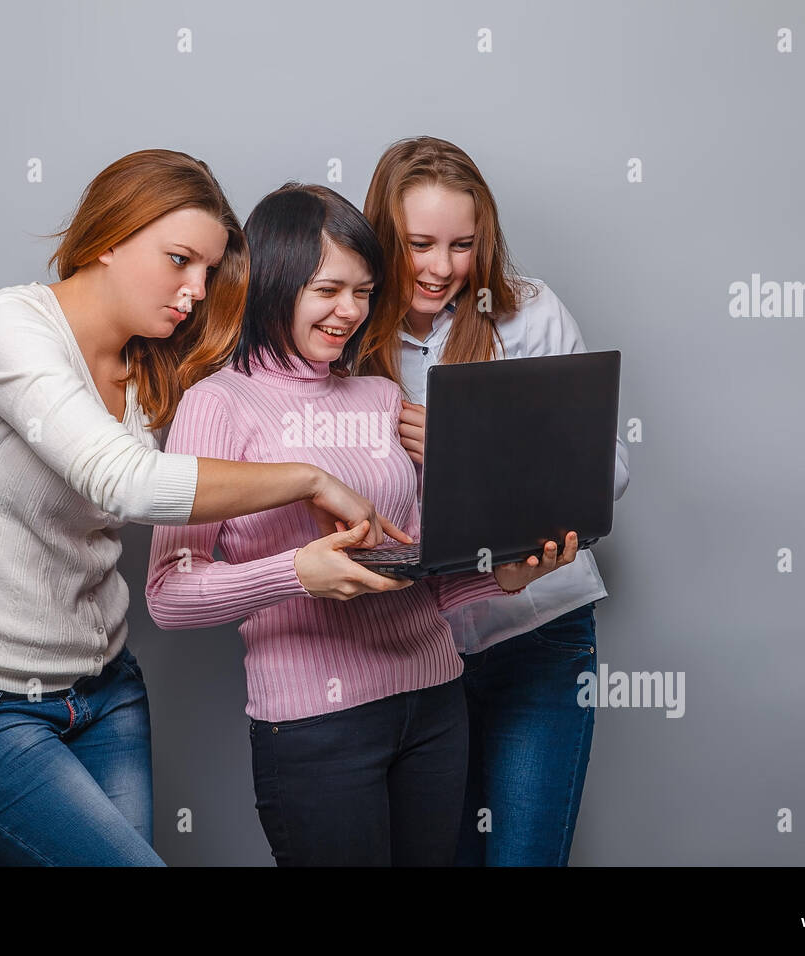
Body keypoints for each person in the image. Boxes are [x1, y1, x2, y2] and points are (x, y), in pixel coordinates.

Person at [0, 150, 409, 866]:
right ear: (106, 239)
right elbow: (124, 483)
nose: (194, 290)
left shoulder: (153, 367)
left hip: (106, 692)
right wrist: (308, 479)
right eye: (179, 259)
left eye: (209, 272)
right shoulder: (5, 328)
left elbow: (280, 398)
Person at [144, 182, 577, 866]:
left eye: (366, 291)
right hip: (317, 725)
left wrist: (504, 574)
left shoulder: (381, 395)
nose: (351, 312)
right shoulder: (217, 404)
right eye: (329, 290)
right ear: (274, 283)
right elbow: (169, 594)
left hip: (435, 702)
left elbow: (416, 571)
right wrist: (296, 572)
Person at [358, 136, 631, 866]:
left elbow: (606, 468)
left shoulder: (530, 314)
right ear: (384, 239)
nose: (442, 268)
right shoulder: (344, 331)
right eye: (419, 244)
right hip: (411, 650)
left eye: (462, 245)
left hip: (537, 634)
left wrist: (468, 448)